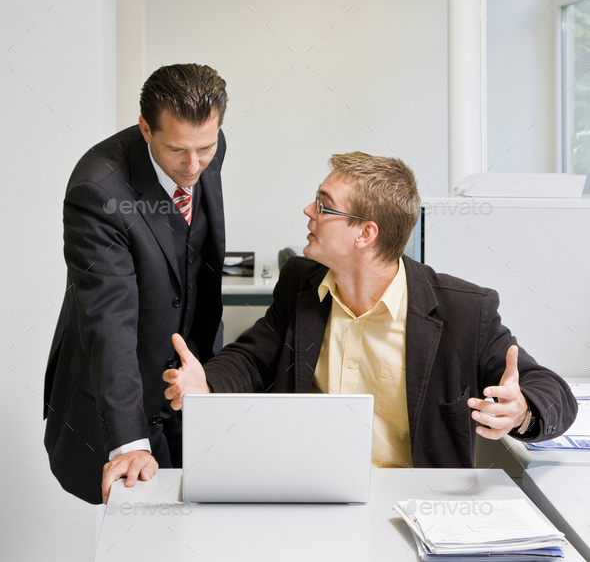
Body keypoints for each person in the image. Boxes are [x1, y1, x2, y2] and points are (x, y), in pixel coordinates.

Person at [163, 152, 577, 468]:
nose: (309, 212)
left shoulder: (463, 311)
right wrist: (208, 384)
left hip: (415, 506)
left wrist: (522, 409)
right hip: (308, 492)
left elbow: (553, 390)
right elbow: (253, 358)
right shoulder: (301, 283)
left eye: (324, 206)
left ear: (366, 233)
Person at [44, 63, 228, 504]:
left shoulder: (205, 147)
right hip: (118, 400)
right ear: (146, 128)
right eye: (178, 150)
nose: (194, 165)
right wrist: (128, 442)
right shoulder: (97, 190)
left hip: (188, 392)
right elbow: (109, 320)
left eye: (206, 148)